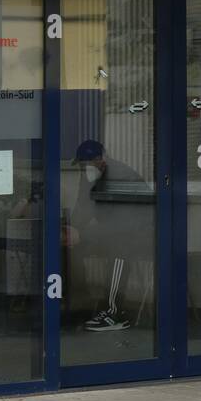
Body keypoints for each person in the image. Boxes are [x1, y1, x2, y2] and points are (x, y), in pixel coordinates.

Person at [66, 139, 147, 332]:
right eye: (83, 165)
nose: (85, 168)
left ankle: (115, 313)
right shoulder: (89, 175)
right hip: (113, 231)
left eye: (89, 163)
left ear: (102, 159)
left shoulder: (122, 175)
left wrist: (83, 233)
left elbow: (124, 223)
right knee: (72, 250)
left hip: (140, 233)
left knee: (118, 250)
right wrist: (73, 230)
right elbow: (83, 206)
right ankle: (81, 304)